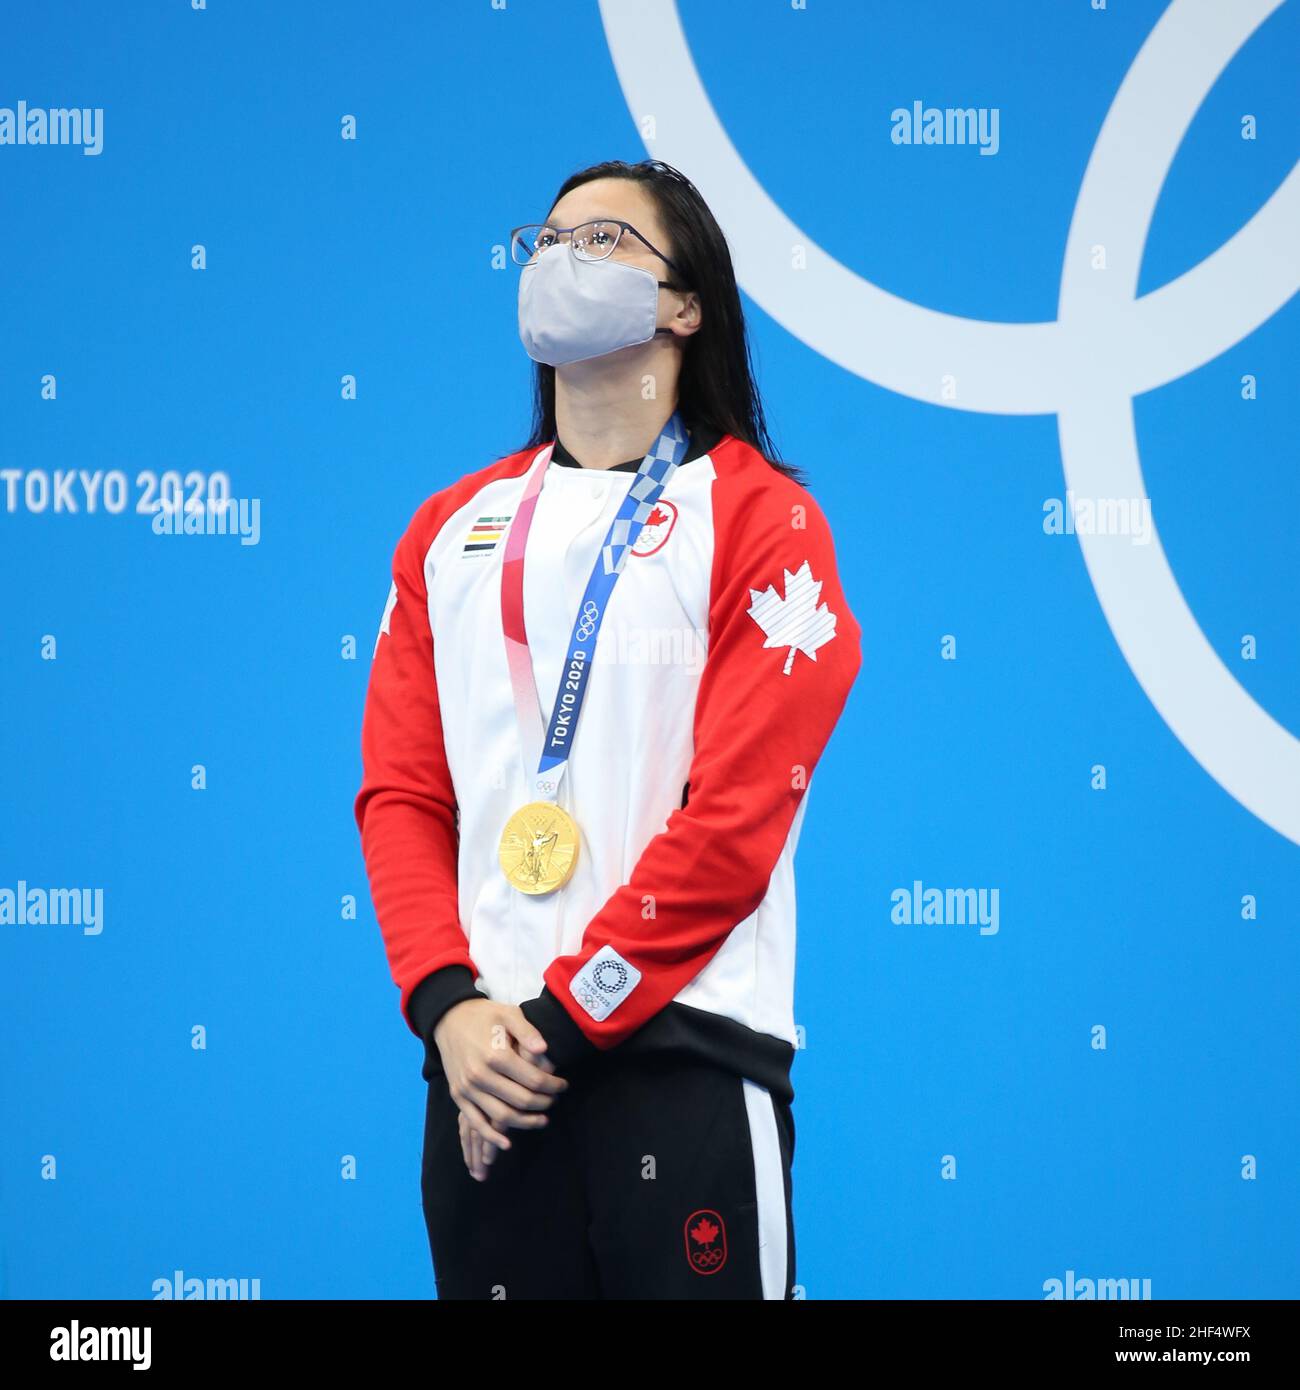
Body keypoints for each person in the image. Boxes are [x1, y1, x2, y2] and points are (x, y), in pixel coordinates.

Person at [354, 158, 862, 1300]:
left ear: (684, 305)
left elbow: (733, 824)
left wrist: (559, 1022)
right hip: (484, 1081)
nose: (557, 260)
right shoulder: (448, 530)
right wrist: (446, 1006)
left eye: (601, 242)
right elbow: (403, 797)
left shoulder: (764, 521)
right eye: (546, 239)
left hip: (681, 1058)